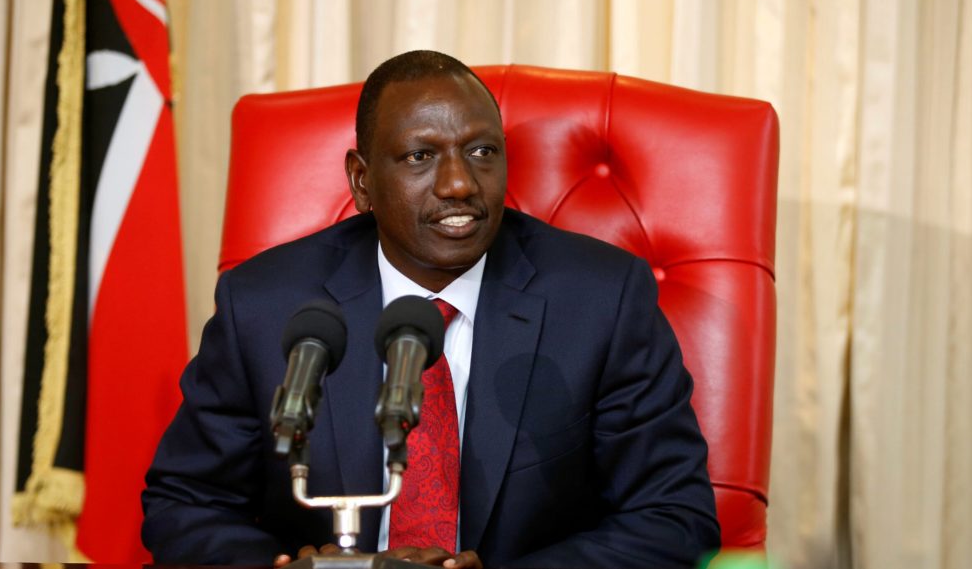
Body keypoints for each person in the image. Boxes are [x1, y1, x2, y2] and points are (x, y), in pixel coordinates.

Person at [142, 50, 719, 569]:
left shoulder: (602, 299)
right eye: (420, 156)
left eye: (481, 152)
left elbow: (674, 515)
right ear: (362, 182)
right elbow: (184, 503)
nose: (460, 184)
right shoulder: (265, 305)